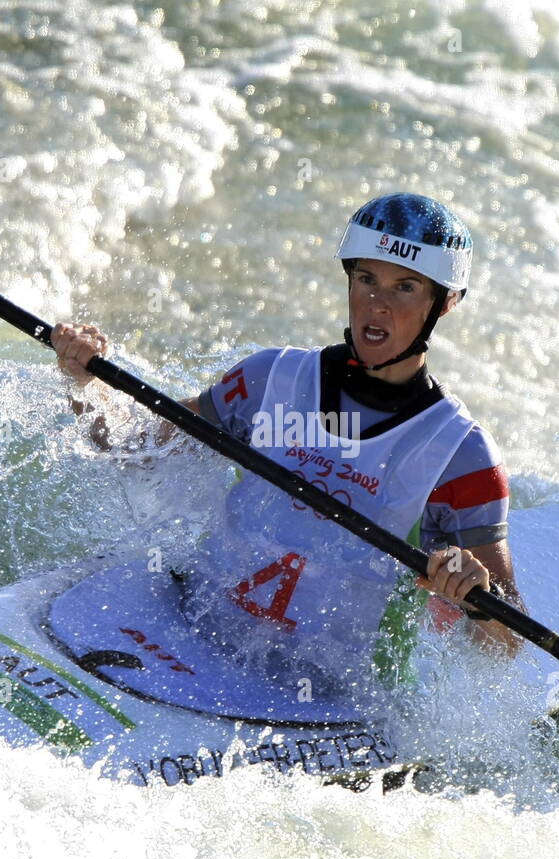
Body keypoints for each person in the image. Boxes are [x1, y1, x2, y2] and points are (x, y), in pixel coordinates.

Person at [52, 193, 525, 684]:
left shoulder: (461, 455)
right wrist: (87, 385)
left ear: (444, 303)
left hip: (331, 698)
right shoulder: (268, 379)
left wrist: (475, 600)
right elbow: (138, 450)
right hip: (193, 633)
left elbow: (505, 647)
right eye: (366, 279)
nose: (376, 305)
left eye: (405, 287)